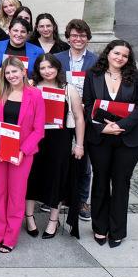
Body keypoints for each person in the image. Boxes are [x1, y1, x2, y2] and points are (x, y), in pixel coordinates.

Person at [82, 40, 138, 246]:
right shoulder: (92, 75)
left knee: (121, 183)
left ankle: (117, 230)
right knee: (100, 181)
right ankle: (99, 227)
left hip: (128, 139)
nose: (120, 58)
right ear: (108, 53)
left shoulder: (137, 77)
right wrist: (102, 128)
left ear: (129, 59)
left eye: (125, 55)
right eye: (117, 53)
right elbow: (88, 104)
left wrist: (121, 125)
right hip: (100, 138)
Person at [0, 57, 45, 253]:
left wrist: (23, 151)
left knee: (16, 196)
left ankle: (10, 237)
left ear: (23, 71)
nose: (11, 76)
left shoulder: (35, 94)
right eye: (7, 73)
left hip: (22, 153)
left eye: (14, 71)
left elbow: (38, 130)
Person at [27, 55, 85, 239]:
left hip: (60, 140)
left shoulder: (68, 89)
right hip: (34, 138)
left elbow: (79, 118)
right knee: (31, 176)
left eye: (50, 67)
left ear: (58, 68)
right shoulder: (31, 86)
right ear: (38, 70)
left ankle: (53, 219)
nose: (47, 71)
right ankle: (29, 217)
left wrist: (79, 144)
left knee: (57, 178)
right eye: (43, 68)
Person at [54, 19, 97, 222]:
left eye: (82, 35)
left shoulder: (96, 61)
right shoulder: (58, 58)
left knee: (84, 159)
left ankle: (81, 200)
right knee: (60, 157)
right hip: (60, 113)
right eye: (74, 35)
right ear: (68, 37)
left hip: (85, 115)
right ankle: (59, 196)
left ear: (87, 38)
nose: (78, 39)